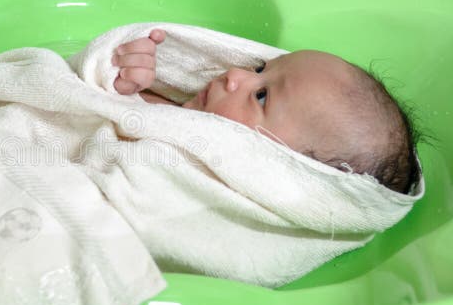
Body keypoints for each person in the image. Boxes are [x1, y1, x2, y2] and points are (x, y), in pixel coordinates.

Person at [111, 29, 420, 194]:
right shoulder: (190, 124)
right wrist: (124, 82)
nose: (235, 74)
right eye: (260, 68)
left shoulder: (200, 184)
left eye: (260, 97)